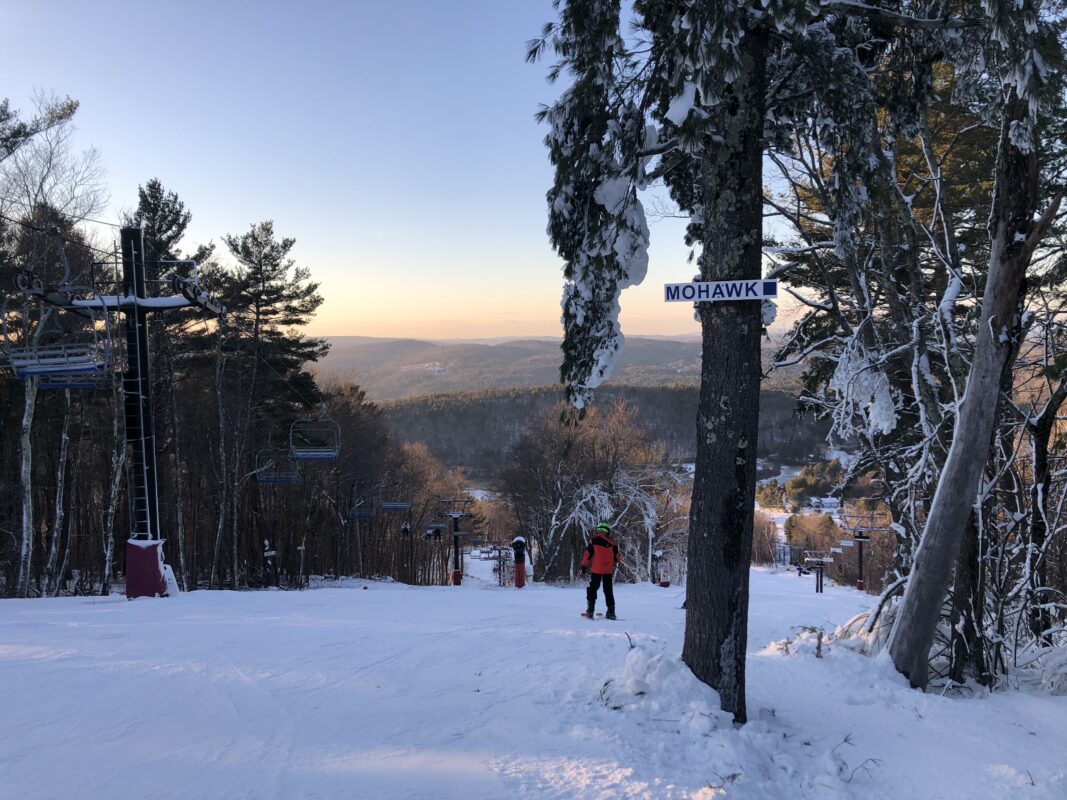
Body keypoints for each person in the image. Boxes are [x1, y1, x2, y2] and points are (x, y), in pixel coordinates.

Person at [581, 521, 620, 619]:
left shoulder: (593, 541)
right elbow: (618, 558)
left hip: (596, 570)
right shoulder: (612, 543)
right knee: (608, 591)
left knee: (593, 588)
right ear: (607, 531)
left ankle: (590, 610)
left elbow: (587, 555)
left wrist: (583, 566)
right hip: (608, 571)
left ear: (598, 530)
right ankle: (611, 612)